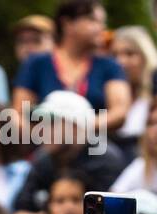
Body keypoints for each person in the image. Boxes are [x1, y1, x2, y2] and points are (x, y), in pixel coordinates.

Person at [12, 91, 128, 214]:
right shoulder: (43, 158)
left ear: (75, 126)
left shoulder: (105, 161)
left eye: (50, 123)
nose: (40, 129)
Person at [13, 0, 131, 135]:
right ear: (67, 24)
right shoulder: (38, 63)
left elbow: (120, 113)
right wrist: (50, 136)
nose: (101, 28)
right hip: (45, 147)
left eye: (102, 22)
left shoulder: (109, 65)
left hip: (96, 148)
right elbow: (19, 113)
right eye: (93, 20)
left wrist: (75, 129)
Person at [111, 26, 157, 153]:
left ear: (146, 57)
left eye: (130, 54)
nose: (120, 61)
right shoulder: (104, 98)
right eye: (114, 55)